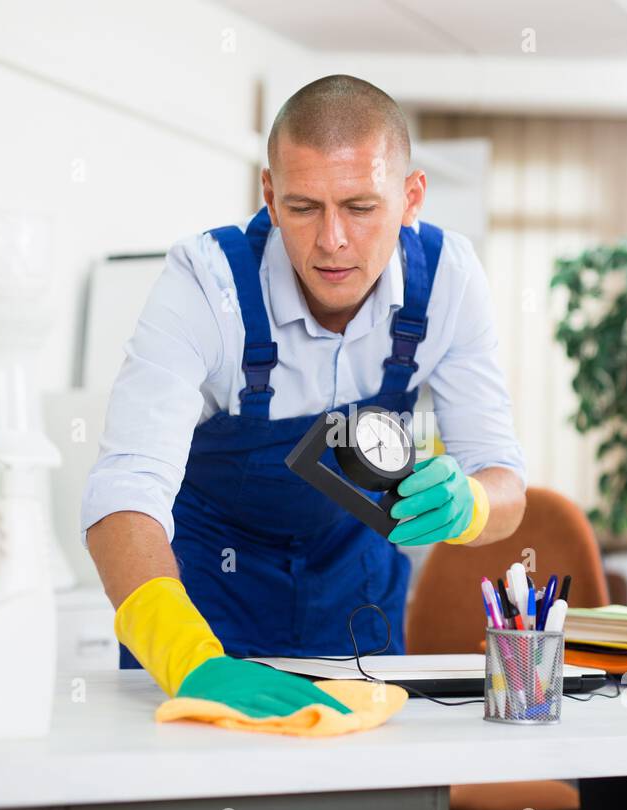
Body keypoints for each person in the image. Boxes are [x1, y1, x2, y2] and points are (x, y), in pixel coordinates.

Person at [82, 75, 525, 718]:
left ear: (411, 197)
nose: (332, 241)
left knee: (364, 800)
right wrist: (187, 657)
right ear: (268, 194)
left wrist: (474, 504)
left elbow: (506, 481)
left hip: (358, 595)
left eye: (361, 207)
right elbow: (122, 493)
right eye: (303, 207)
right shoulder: (206, 287)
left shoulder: (449, 282)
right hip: (208, 593)